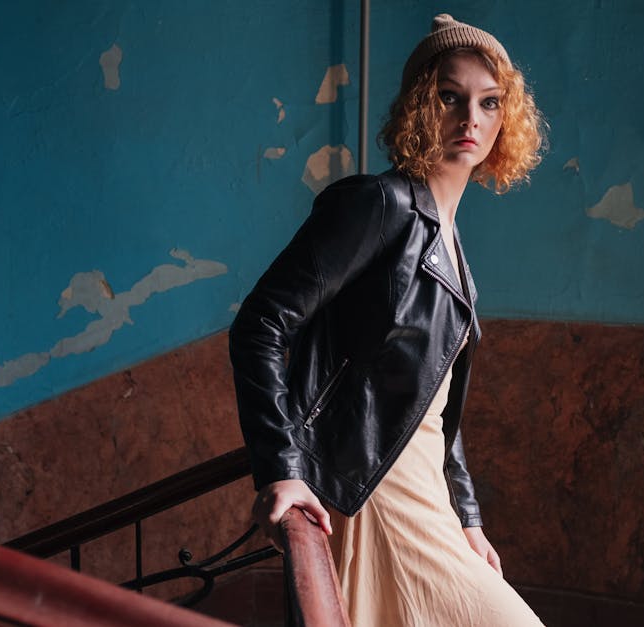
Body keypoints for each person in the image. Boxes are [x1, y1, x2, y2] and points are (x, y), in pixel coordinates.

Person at [229, 13, 545, 626]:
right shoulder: (381, 205)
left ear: (506, 118)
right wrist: (282, 469)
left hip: (426, 498)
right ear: (423, 107)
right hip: (374, 491)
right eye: (450, 98)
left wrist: (468, 520)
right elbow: (261, 323)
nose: (470, 119)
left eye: (489, 102)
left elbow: (436, 410)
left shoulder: (451, 242)